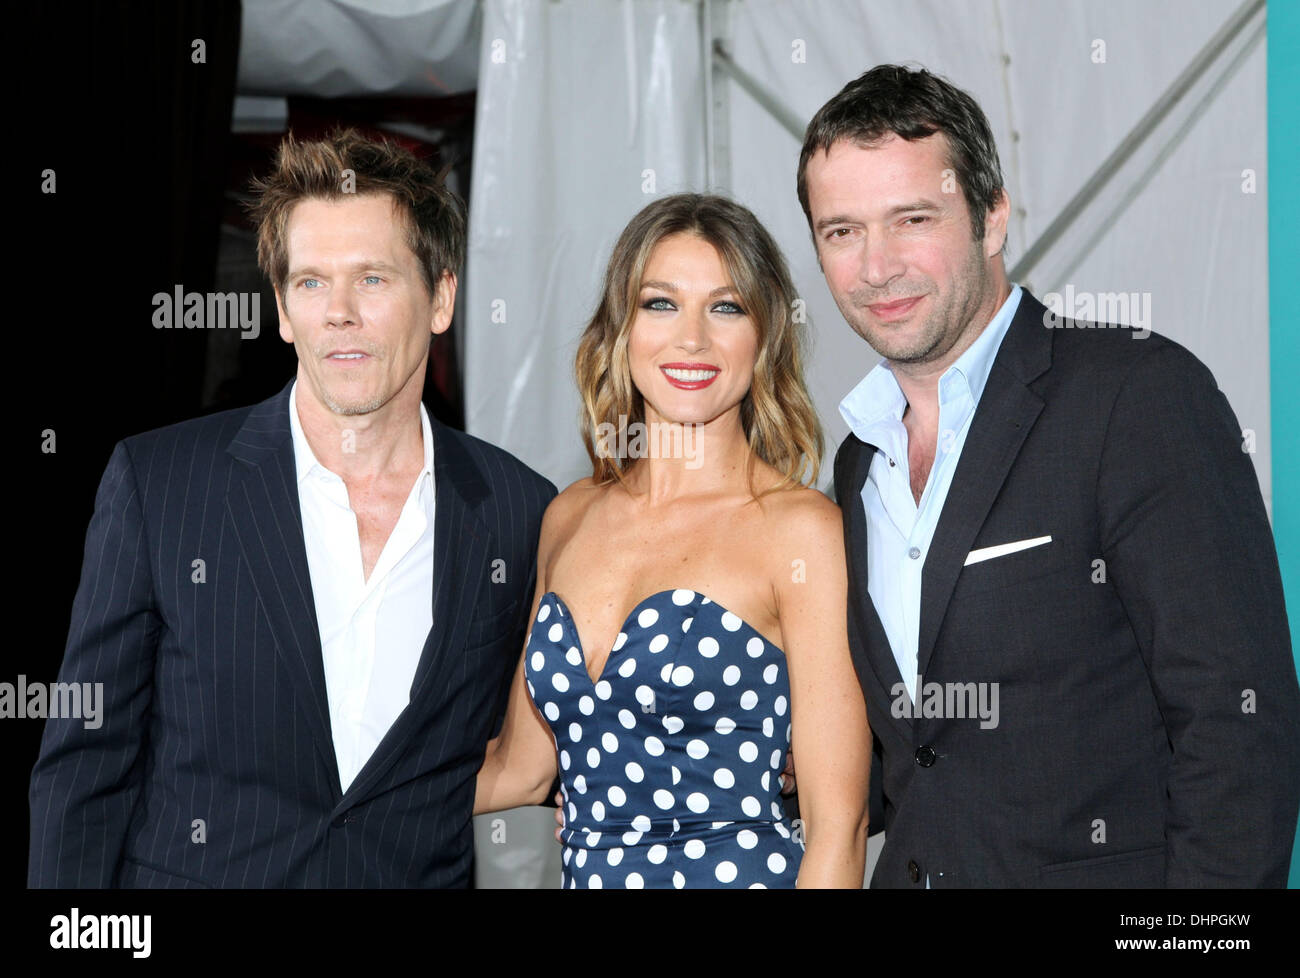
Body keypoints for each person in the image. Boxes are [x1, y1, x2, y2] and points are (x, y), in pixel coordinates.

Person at [796, 64, 1300, 886]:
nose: (876, 266)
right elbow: (917, 759)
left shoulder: (1135, 396)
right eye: (841, 231)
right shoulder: (856, 465)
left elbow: (1237, 729)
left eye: (912, 218)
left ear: (992, 218)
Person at [28, 128, 555, 887]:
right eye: (310, 283)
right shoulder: (162, 485)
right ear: (280, 309)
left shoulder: (518, 509)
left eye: (372, 279)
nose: (339, 311)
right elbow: (84, 767)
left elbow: (534, 753)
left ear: (441, 297)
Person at [474, 193, 871, 888]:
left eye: (727, 307)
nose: (692, 339)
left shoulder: (802, 533)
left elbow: (839, 832)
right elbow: (519, 768)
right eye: (660, 303)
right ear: (620, 328)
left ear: (766, 334)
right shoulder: (569, 516)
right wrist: (328, 793)